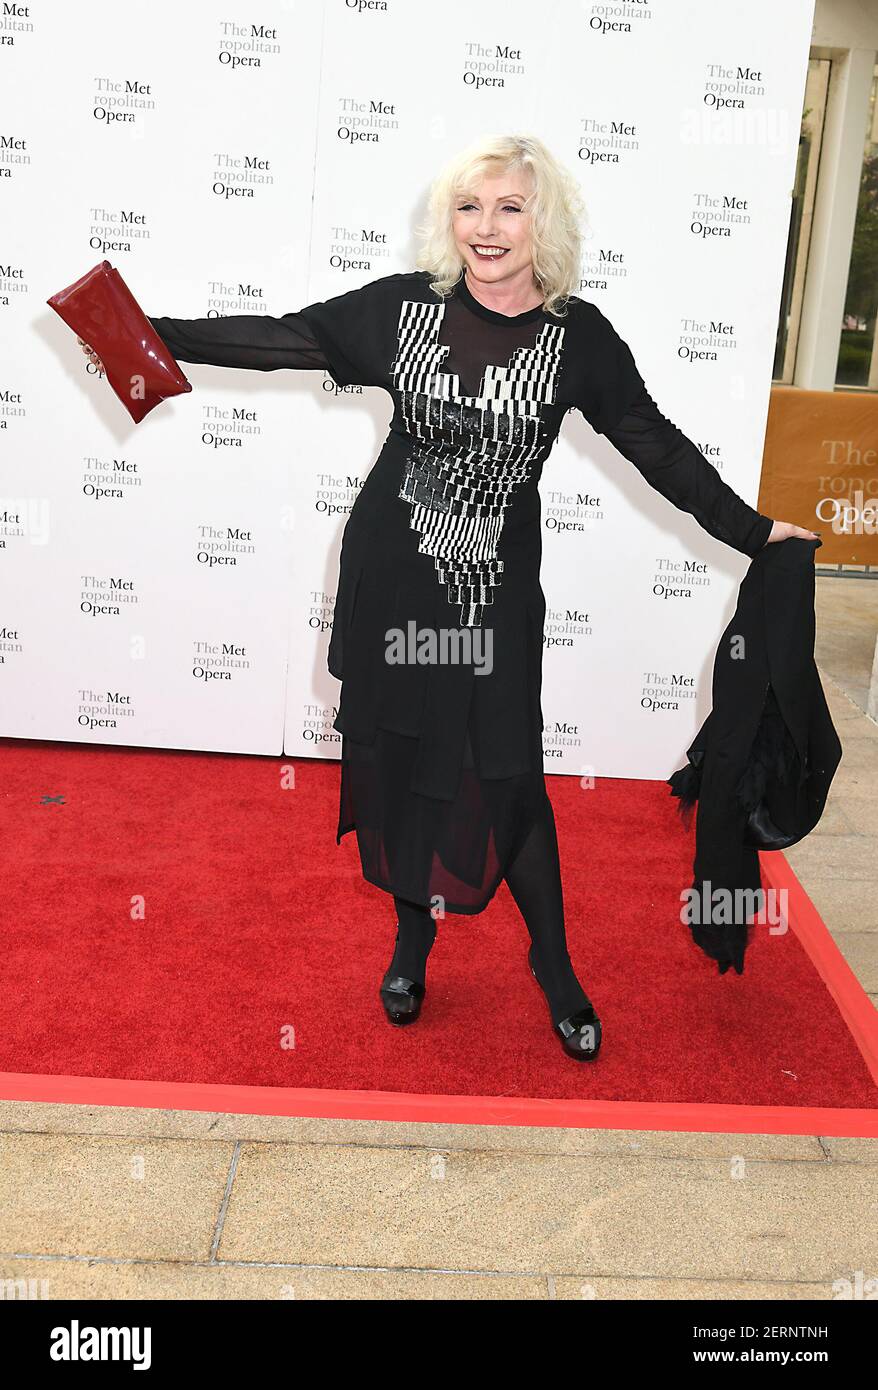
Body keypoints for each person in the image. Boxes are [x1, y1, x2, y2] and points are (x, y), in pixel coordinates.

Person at [78, 133, 817, 1062]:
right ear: (450, 221)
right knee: (400, 762)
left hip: (495, 595)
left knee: (509, 777)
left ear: (543, 224)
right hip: (396, 577)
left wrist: (755, 534)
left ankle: (556, 970)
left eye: (509, 208)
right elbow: (282, 340)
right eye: (471, 207)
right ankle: (412, 941)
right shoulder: (403, 311)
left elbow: (654, 445)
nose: (487, 228)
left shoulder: (577, 339)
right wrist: (137, 332)